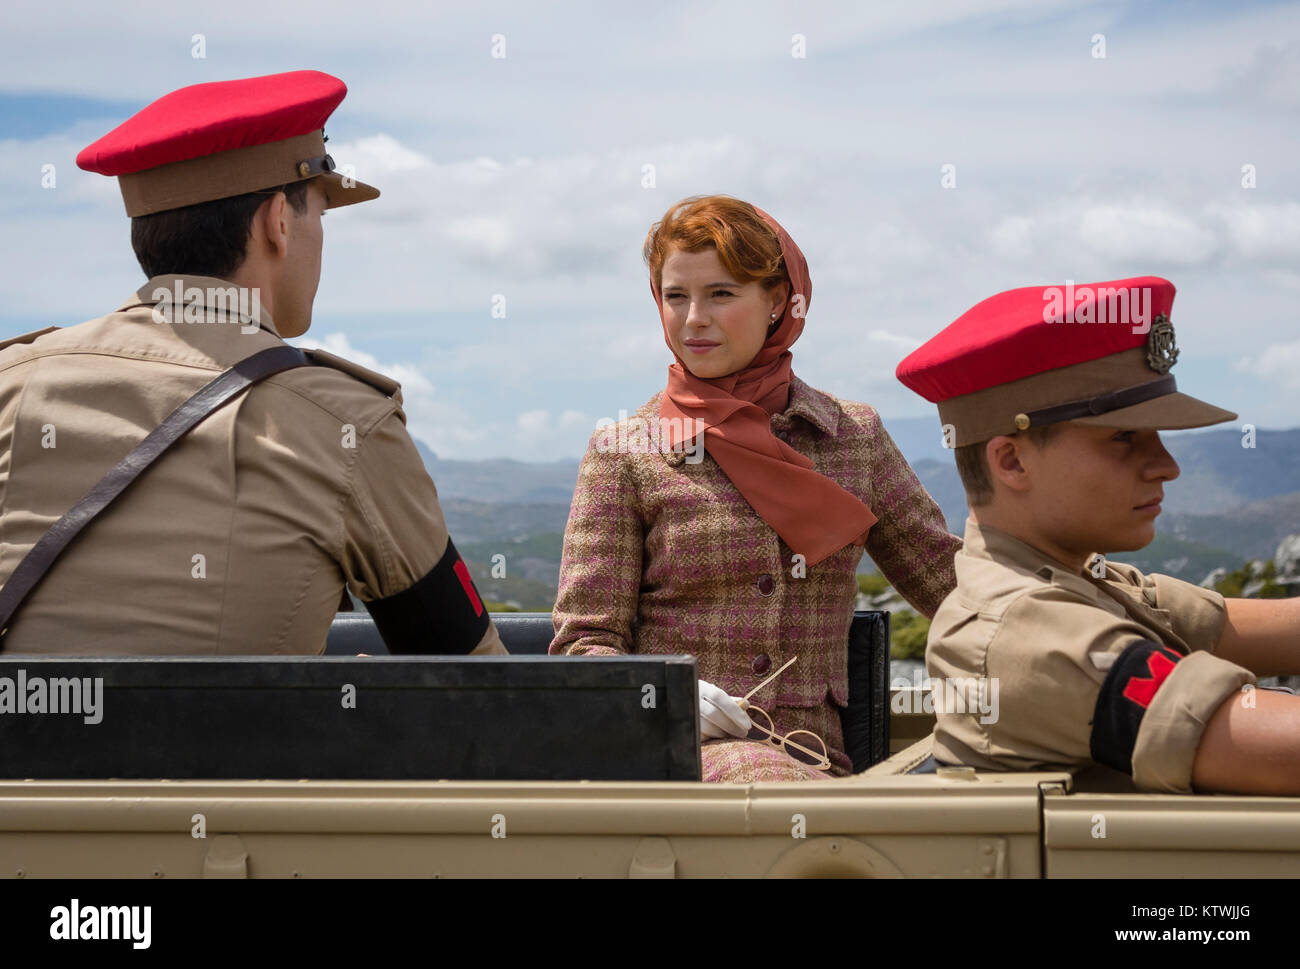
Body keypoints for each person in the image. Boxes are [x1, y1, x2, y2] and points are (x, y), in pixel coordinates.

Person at [0, 70, 504, 657]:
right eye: (319, 210)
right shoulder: (343, 422)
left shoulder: (12, 383)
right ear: (278, 222)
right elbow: (472, 685)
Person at [550, 195, 962, 781]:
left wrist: (1096, 599)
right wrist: (659, 690)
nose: (694, 318)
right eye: (675, 296)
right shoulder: (625, 451)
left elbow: (950, 585)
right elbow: (584, 644)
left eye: (721, 293)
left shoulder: (854, 436)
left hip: (819, 761)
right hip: (674, 758)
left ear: (777, 301)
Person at [896, 276, 1300, 795]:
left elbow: (1277, 627)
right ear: (1012, 461)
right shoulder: (1030, 633)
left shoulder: (1077, 579)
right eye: (1124, 438)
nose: (1167, 466)